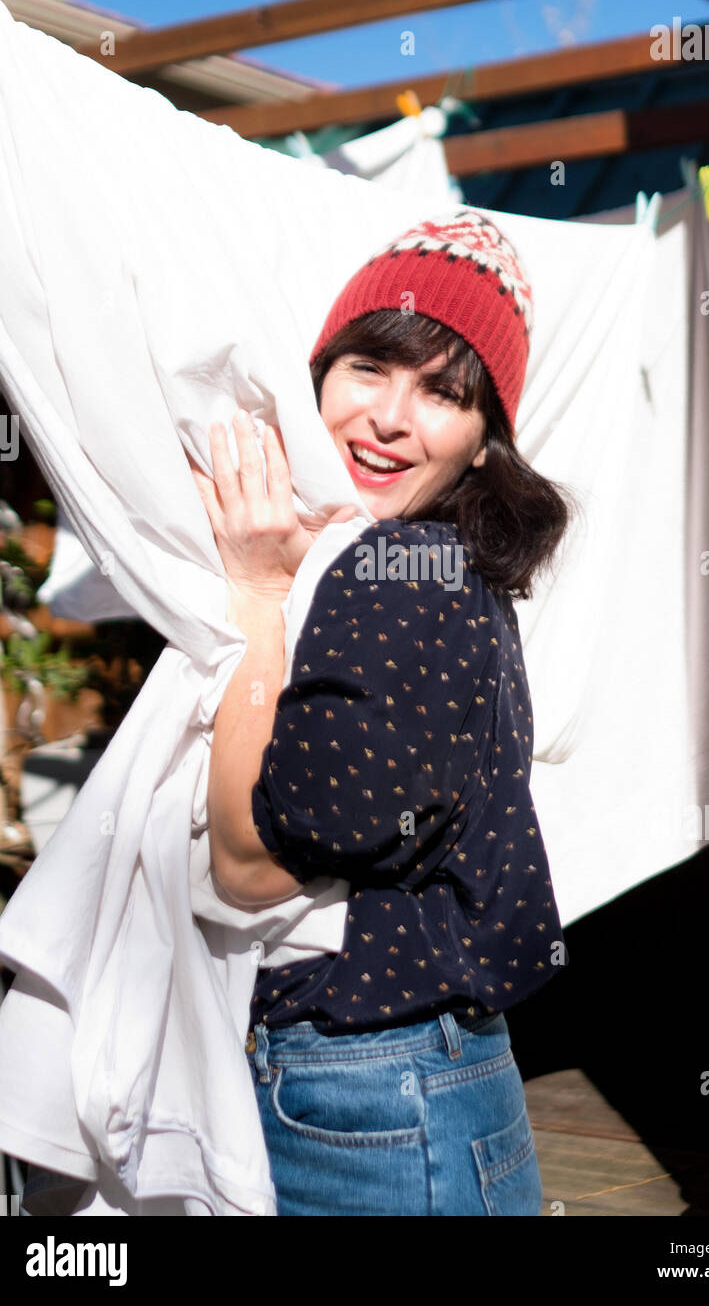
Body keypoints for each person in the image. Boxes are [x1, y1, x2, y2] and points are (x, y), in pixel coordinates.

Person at [191, 207, 576, 1216]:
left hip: (374, 1100)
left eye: (442, 393)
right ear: (319, 373)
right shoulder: (432, 564)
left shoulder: (396, 574)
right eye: (369, 367)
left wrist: (255, 597)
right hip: (416, 1085)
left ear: (484, 438)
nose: (390, 416)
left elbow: (249, 863)